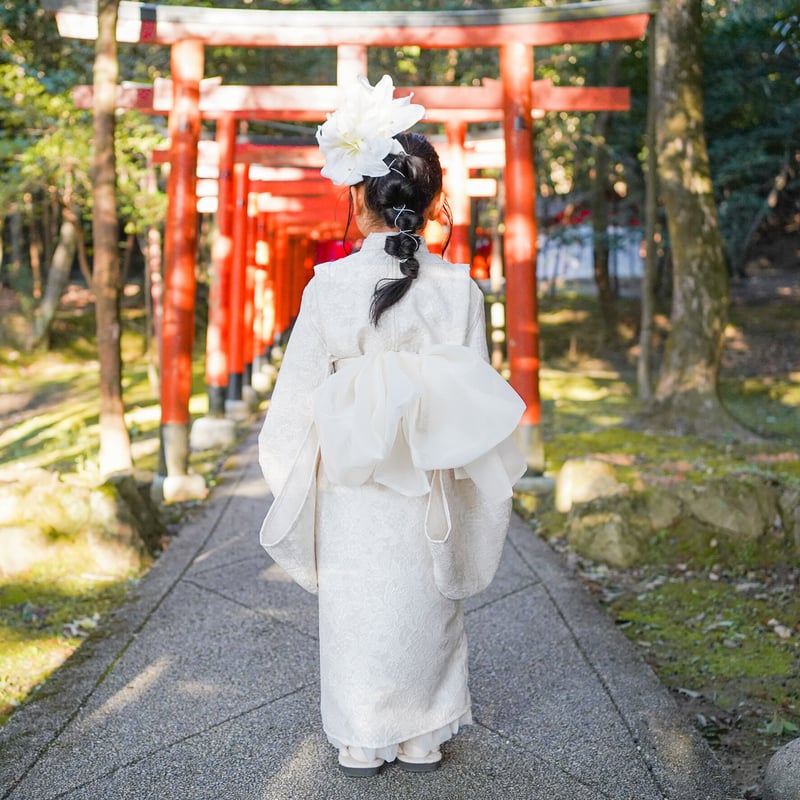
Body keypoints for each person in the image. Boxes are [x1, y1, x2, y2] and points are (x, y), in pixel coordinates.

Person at [257, 75, 526, 777]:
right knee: (425, 594)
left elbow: (296, 400)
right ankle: (424, 732)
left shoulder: (328, 287)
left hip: (351, 477)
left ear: (357, 198)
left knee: (358, 599)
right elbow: (474, 397)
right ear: (434, 202)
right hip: (430, 467)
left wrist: (289, 473)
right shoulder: (460, 289)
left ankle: (360, 736)